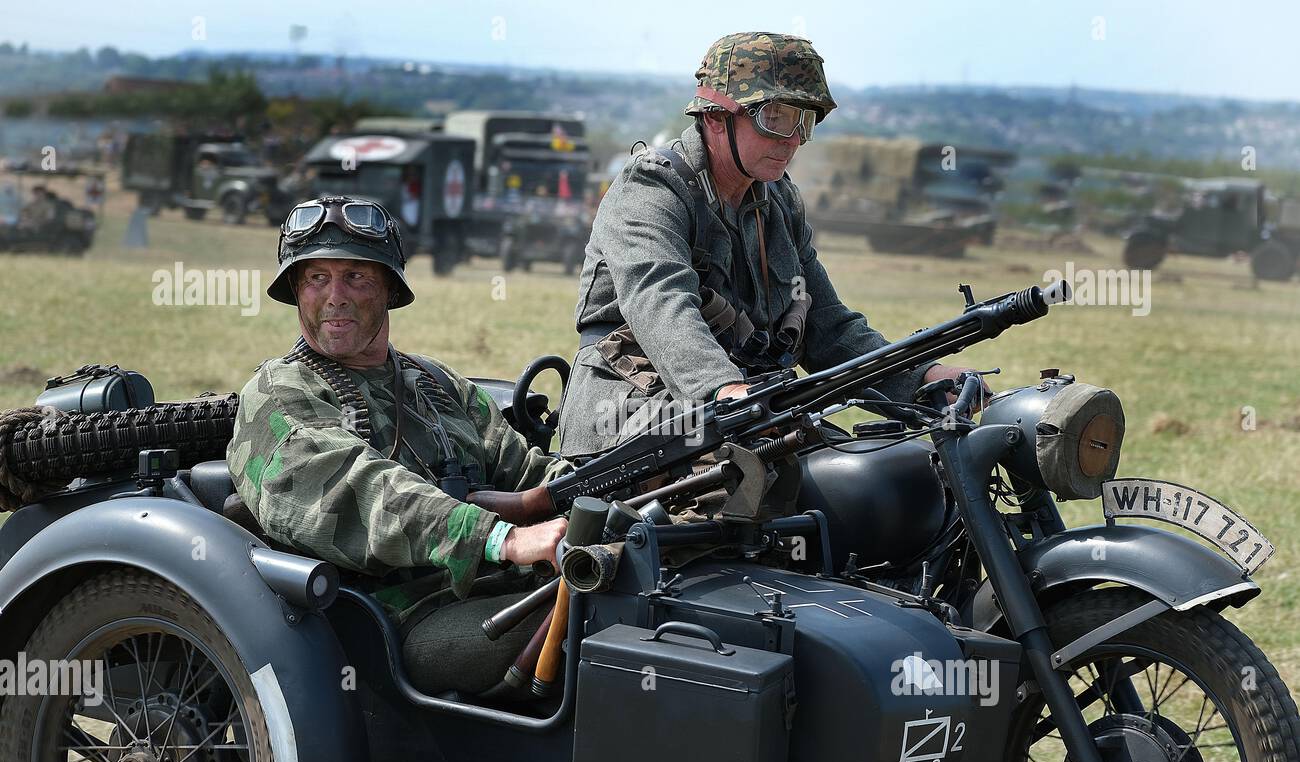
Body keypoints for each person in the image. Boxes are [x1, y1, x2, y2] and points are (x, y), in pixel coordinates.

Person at [556, 32, 981, 457]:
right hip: (628, 417)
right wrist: (723, 391)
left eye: (804, 122)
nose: (792, 140)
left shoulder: (777, 201)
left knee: (885, 481)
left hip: (747, 416)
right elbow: (660, 303)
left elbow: (828, 326)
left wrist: (923, 375)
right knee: (745, 496)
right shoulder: (653, 187)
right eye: (774, 119)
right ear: (715, 118)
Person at [227, 195, 570, 696]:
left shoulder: (435, 383)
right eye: (317, 279)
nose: (335, 296)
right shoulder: (280, 393)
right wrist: (501, 539)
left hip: (506, 585)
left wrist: (606, 494)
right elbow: (359, 490)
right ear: (297, 293)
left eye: (356, 277)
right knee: (599, 622)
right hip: (407, 616)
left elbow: (527, 472)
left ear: (388, 288)